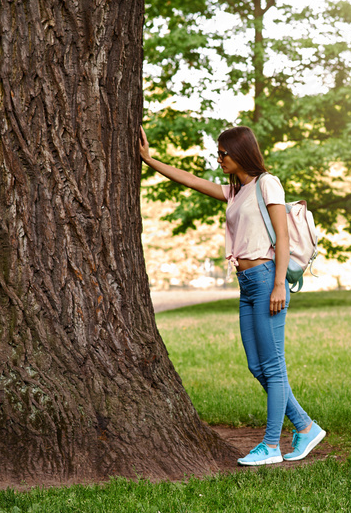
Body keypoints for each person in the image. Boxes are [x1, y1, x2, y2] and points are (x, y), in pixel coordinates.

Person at [139, 124, 326, 466]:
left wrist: (278, 284)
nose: (219, 160)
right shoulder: (235, 192)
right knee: (258, 366)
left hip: (268, 278)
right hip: (247, 285)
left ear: (239, 153)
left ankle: (271, 445)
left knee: (273, 365)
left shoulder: (267, 184)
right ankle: (305, 427)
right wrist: (151, 161)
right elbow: (191, 181)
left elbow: (281, 238)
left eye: (223, 154)